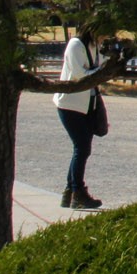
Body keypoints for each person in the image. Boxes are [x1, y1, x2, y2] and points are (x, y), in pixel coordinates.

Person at [52, 24, 104, 210]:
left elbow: (101, 67)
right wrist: (104, 71)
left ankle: (70, 192)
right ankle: (78, 192)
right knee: (82, 148)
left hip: (87, 104)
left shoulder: (95, 46)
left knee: (82, 148)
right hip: (69, 104)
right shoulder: (76, 45)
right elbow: (79, 75)